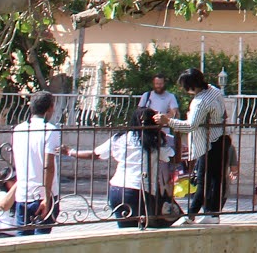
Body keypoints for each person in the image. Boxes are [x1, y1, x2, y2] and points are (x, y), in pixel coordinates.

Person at [69, 103, 169, 227]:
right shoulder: (154, 141)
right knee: (146, 231)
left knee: (125, 231)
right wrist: (173, 127)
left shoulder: (120, 137)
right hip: (140, 190)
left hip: (117, 188)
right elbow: (174, 157)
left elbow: (95, 154)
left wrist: (71, 152)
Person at [162, 68, 228, 225]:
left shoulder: (200, 102)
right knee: (213, 180)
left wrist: (168, 122)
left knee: (203, 181)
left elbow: (190, 126)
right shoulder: (214, 90)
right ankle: (209, 214)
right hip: (220, 139)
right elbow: (224, 114)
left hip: (208, 144)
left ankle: (196, 215)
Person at [10, 92, 61, 234]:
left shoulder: (18, 129)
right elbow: (48, 165)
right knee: (40, 241)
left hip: (23, 193)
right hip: (43, 195)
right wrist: (47, 197)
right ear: (50, 108)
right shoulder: (50, 130)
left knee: (22, 242)